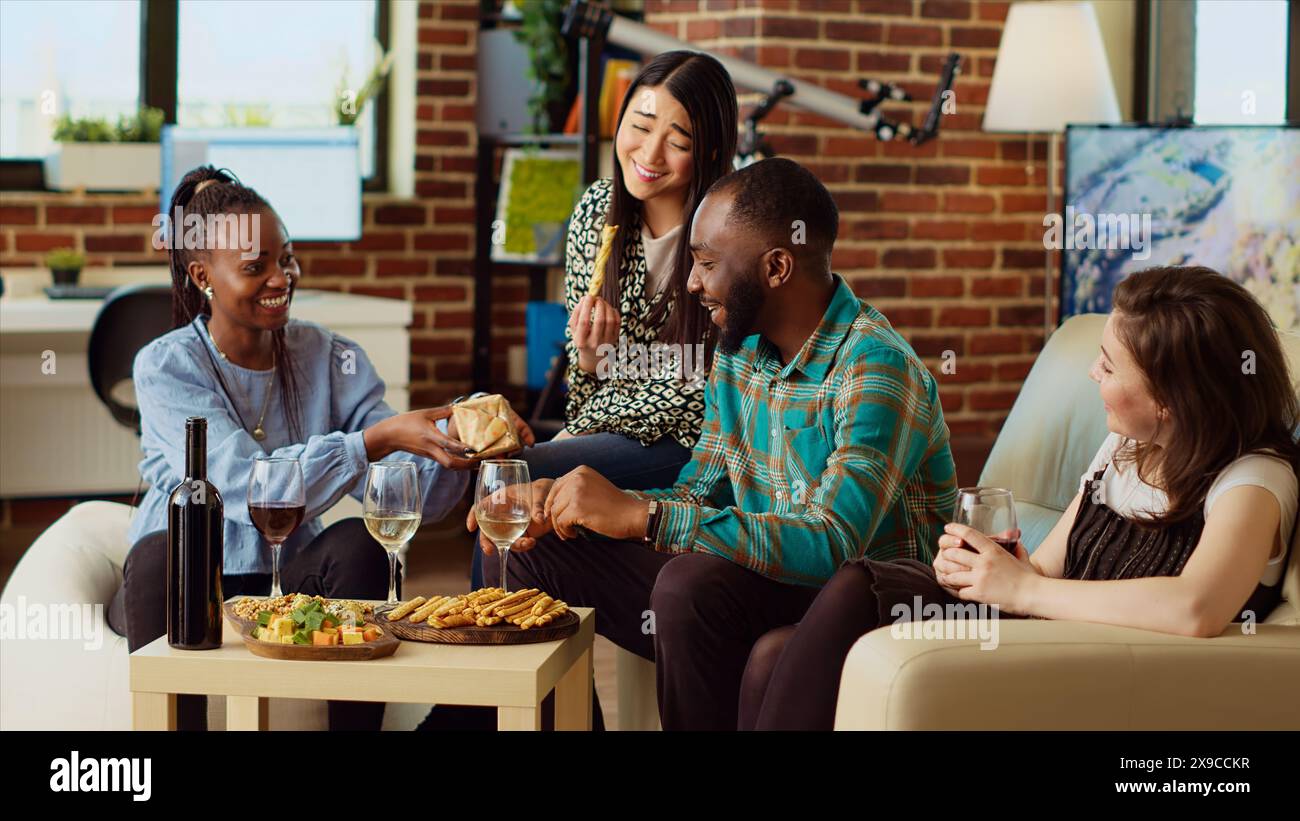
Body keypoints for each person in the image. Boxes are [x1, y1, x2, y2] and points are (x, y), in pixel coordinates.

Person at [474, 158, 959, 730]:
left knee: (689, 584)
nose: (692, 282)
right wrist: (571, 505)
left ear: (777, 267)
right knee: (546, 547)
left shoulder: (875, 367)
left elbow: (834, 543)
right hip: (760, 582)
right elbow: (700, 488)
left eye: (705, 263)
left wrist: (644, 517)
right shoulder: (738, 352)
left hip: (857, 602)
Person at [739, 265, 1300, 730]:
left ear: (1172, 399)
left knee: (858, 587)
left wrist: (1025, 589)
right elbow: (1049, 567)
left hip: (1123, 670)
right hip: (1057, 635)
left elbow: (1196, 608)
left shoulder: (1254, 479)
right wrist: (990, 568)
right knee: (771, 656)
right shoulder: (1125, 445)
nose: (1090, 371)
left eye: (1108, 366)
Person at [113, 165, 532, 730]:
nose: (280, 278)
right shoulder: (164, 366)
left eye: (286, 259)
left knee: (359, 543)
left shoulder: (328, 355)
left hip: (285, 577)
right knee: (162, 554)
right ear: (202, 276)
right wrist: (372, 441)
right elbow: (241, 485)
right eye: (255, 268)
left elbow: (409, 498)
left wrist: (463, 434)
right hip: (190, 576)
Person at [469, 49, 739, 590]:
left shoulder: (731, 229)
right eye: (639, 126)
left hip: (702, 446)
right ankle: (536, 666)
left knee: (516, 481)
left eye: (678, 141)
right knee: (510, 487)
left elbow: (710, 389)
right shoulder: (596, 213)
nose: (650, 152)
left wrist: (591, 419)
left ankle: (506, 653)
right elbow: (582, 392)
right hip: (613, 429)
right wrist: (591, 358)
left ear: (709, 148)